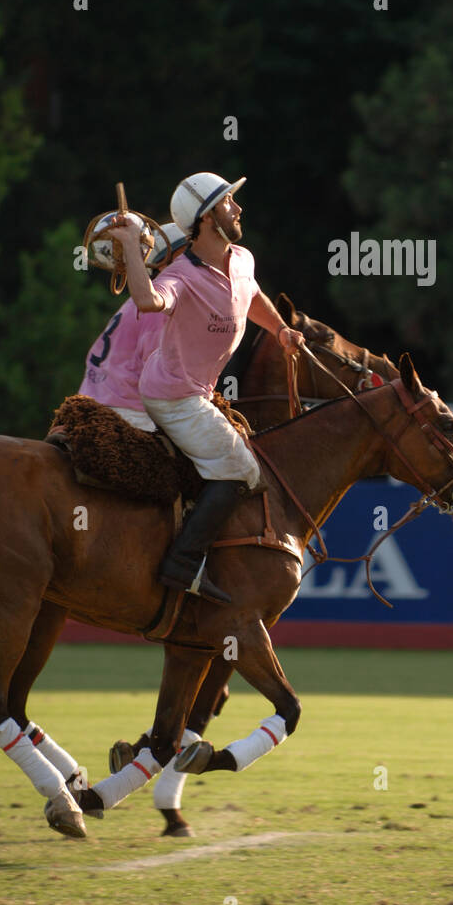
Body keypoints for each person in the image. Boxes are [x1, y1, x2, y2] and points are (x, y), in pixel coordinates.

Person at [110, 172, 304, 605]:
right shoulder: (181, 276)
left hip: (195, 390)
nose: (237, 208)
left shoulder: (241, 259)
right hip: (174, 397)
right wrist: (128, 248)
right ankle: (181, 566)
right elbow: (147, 301)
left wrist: (281, 331)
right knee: (243, 469)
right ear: (206, 218)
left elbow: (250, 295)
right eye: (228, 202)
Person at [78, 221, 187, 433]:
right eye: (188, 257)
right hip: (126, 411)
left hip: (94, 401)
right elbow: (160, 382)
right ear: (163, 265)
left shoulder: (147, 300)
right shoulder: (162, 310)